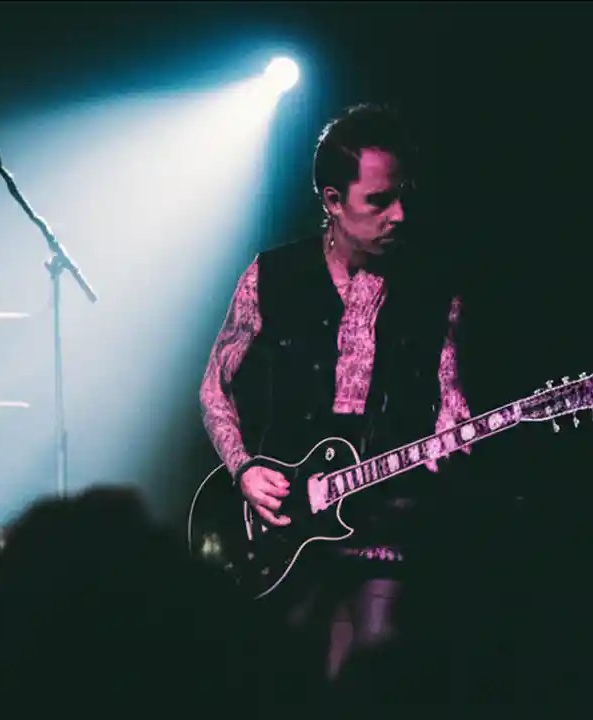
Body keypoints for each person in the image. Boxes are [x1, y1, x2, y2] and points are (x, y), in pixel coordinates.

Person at [198, 103, 472, 694]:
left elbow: (451, 397)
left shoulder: (433, 286)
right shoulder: (270, 275)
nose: (398, 214)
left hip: (387, 513)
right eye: (378, 201)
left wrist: (455, 436)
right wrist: (243, 469)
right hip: (286, 523)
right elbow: (215, 385)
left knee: (367, 675)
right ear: (332, 200)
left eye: (403, 196)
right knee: (285, 680)